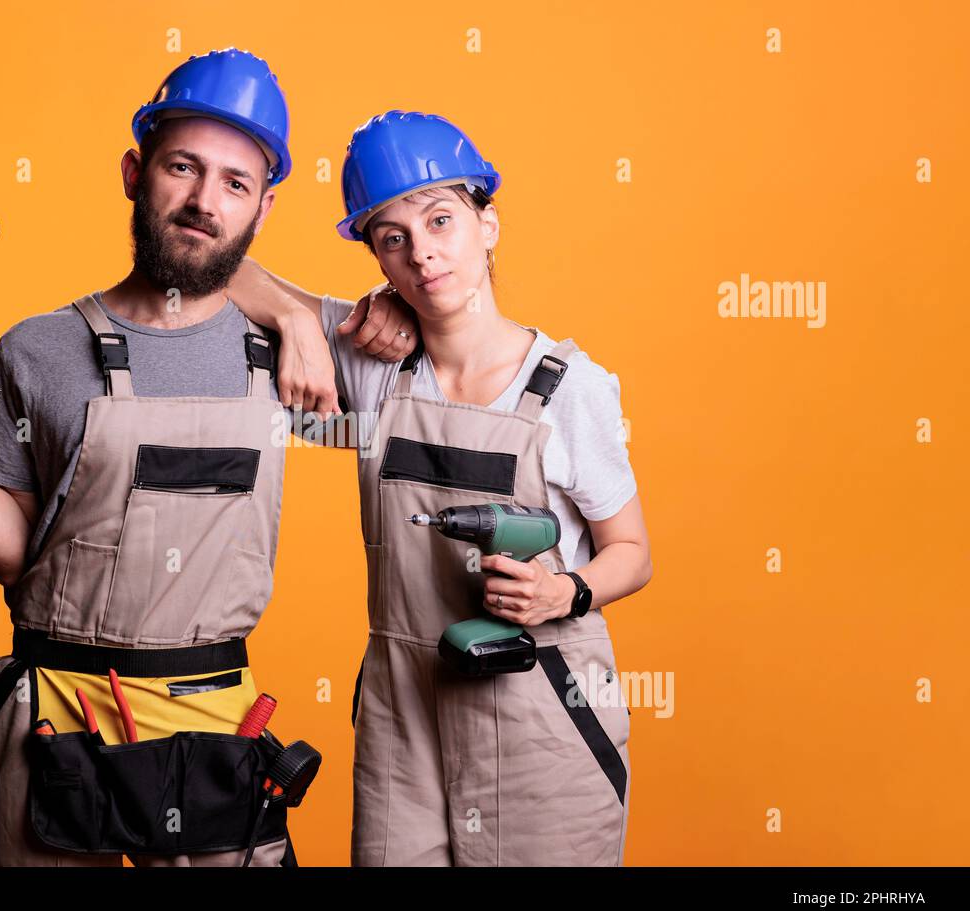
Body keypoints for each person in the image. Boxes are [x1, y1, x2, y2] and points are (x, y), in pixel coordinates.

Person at [0, 49, 399, 867]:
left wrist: (324, 315)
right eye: (182, 167)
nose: (202, 201)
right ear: (133, 172)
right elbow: (16, 546)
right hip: (53, 719)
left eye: (234, 183)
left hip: (211, 732)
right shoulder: (38, 350)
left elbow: (453, 345)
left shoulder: (299, 362)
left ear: (261, 210)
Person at [229, 110, 653, 866]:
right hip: (405, 720)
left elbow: (633, 551)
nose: (423, 252)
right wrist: (299, 321)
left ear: (489, 225)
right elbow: (212, 262)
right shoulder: (369, 364)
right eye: (392, 237)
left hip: (542, 715)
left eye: (441, 220)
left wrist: (568, 593)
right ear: (378, 259)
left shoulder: (568, 388)